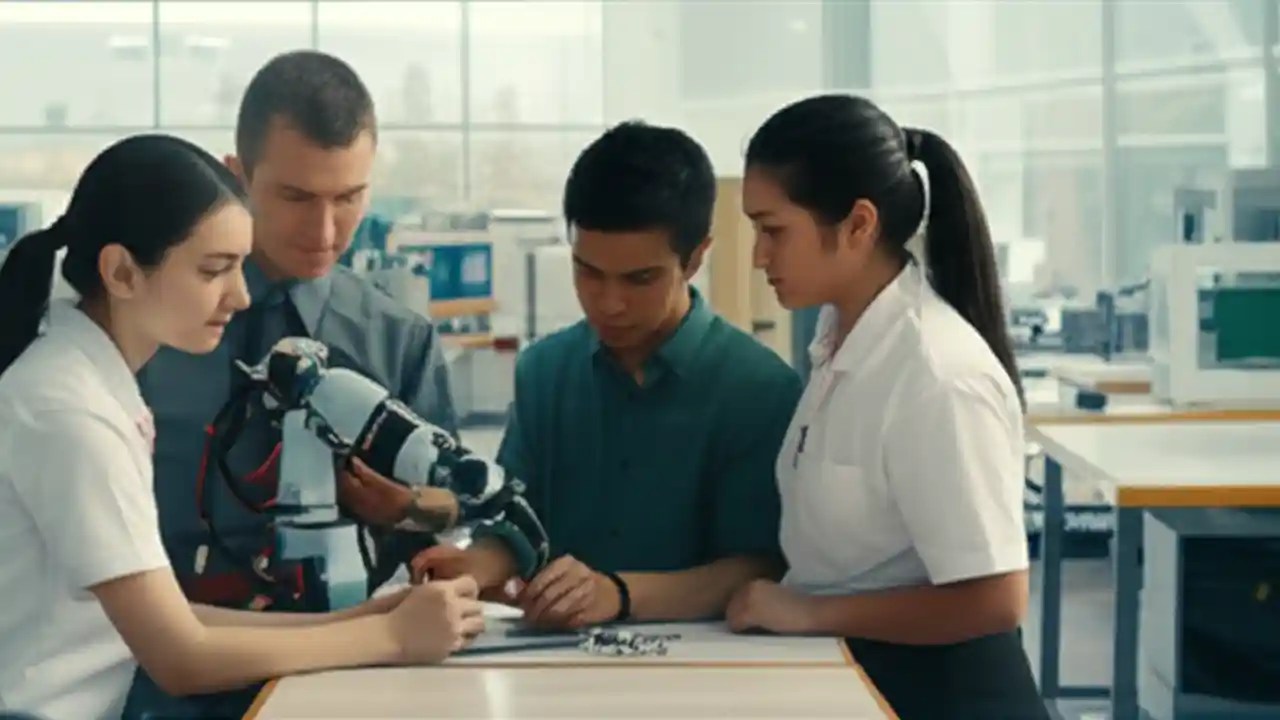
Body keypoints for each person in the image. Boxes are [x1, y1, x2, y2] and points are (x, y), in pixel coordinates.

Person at [0, 134, 483, 720]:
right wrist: (391, 638)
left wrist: (365, 619)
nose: (242, 295)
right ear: (122, 272)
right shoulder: (69, 413)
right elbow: (180, 657)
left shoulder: (88, 381)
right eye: (215, 270)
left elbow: (172, 619)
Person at [136, 50, 529, 611]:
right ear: (236, 177)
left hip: (356, 638)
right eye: (295, 197)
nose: (325, 232)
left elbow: (452, 513)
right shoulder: (151, 331)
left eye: (348, 198)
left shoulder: (399, 342)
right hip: (166, 642)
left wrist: (412, 509)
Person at [724, 93, 1047, 719]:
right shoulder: (841, 342)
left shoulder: (938, 374)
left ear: (858, 225)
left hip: (944, 698)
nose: (759, 256)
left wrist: (808, 611)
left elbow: (994, 600)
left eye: (773, 230)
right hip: (866, 678)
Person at [412, 121, 804, 628]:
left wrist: (618, 593)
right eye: (588, 272)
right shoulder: (545, 372)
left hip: (705, 657)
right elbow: (517, 524)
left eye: (640, 279)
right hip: (560, 654)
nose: (609, 303)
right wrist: (476, 565)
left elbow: (760, 568)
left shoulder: (758, 389)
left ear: (695, 258)